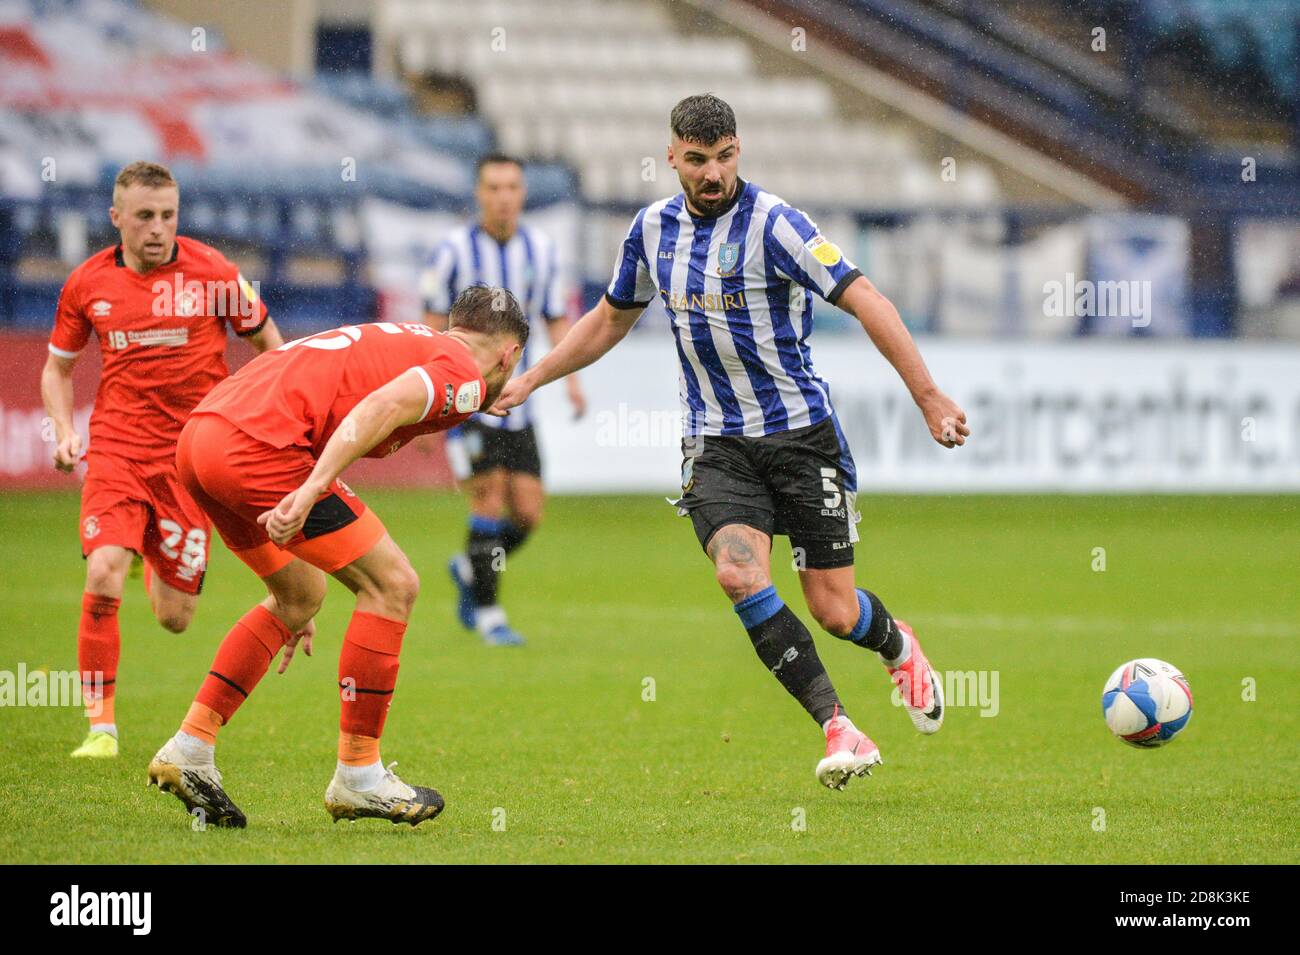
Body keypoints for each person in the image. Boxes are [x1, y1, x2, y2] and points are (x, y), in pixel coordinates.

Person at [492, 95, 970, 790]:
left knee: (835, 609)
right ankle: (840, 725)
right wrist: (533, 377)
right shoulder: (652, 230)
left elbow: (867, 300)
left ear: (737, 151)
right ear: (672, 158)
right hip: (717, 444)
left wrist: (927, 395)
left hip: (802, 439)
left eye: (723, 157)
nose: (711, 172)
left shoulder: (778, 225)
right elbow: (607, 320)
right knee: (738, 573)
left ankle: (897, 643)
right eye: (696, 160)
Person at [147, 286, 527, 827]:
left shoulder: (413, 339)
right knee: (393, 584)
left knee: (299, 597)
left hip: (202, 438)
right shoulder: (463, 371)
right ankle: (359, 776)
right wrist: (308, 490)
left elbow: (336, 394)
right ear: (509, 355)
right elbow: (383, 405)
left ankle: (191, 747)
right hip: (259, 447)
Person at [40, 160, 283, 760]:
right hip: (118, 449)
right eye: (144, 216)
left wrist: (260, 415)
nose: (157, 228)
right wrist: (63, 431)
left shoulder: (215, 273)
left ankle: (152, 544)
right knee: (102, 573)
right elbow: (57, 368)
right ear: (115, 217)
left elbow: (271, 347)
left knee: (176, 617)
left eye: (168, 215)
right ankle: (102, 728)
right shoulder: (86, 284)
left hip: (192, 460)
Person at [421, 154, 585, 647]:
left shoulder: (541, 249)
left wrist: (573, 379)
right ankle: (490, 615)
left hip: (518, 402)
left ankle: (469, 565)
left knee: (529, 513)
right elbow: (429, 326)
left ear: (522, 192)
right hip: (467, 401)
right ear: (478, 193)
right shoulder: (451, 251)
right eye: (493, 187)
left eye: (512, 186)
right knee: (488, 497)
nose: (503, 196)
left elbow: (556, 314)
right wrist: (430, 399)